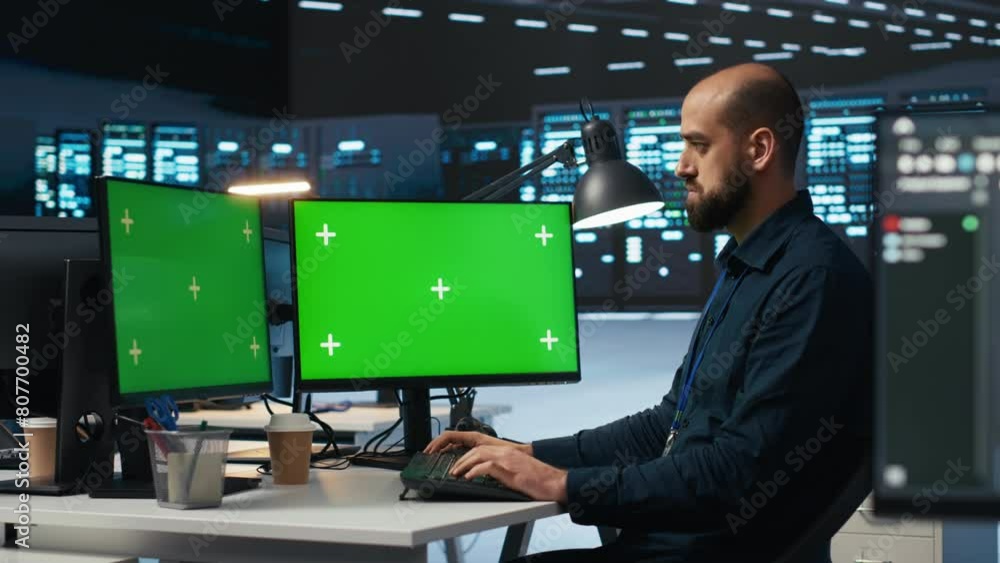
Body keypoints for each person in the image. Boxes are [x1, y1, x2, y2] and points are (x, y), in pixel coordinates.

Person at [425, 62, 873, 563]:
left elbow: (734, 473)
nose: (682, 166)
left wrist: (567, 485)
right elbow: (670, 422)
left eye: (699, 146)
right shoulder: (747, 266)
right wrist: (532, 455)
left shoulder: (813, 280)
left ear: (760, 149)